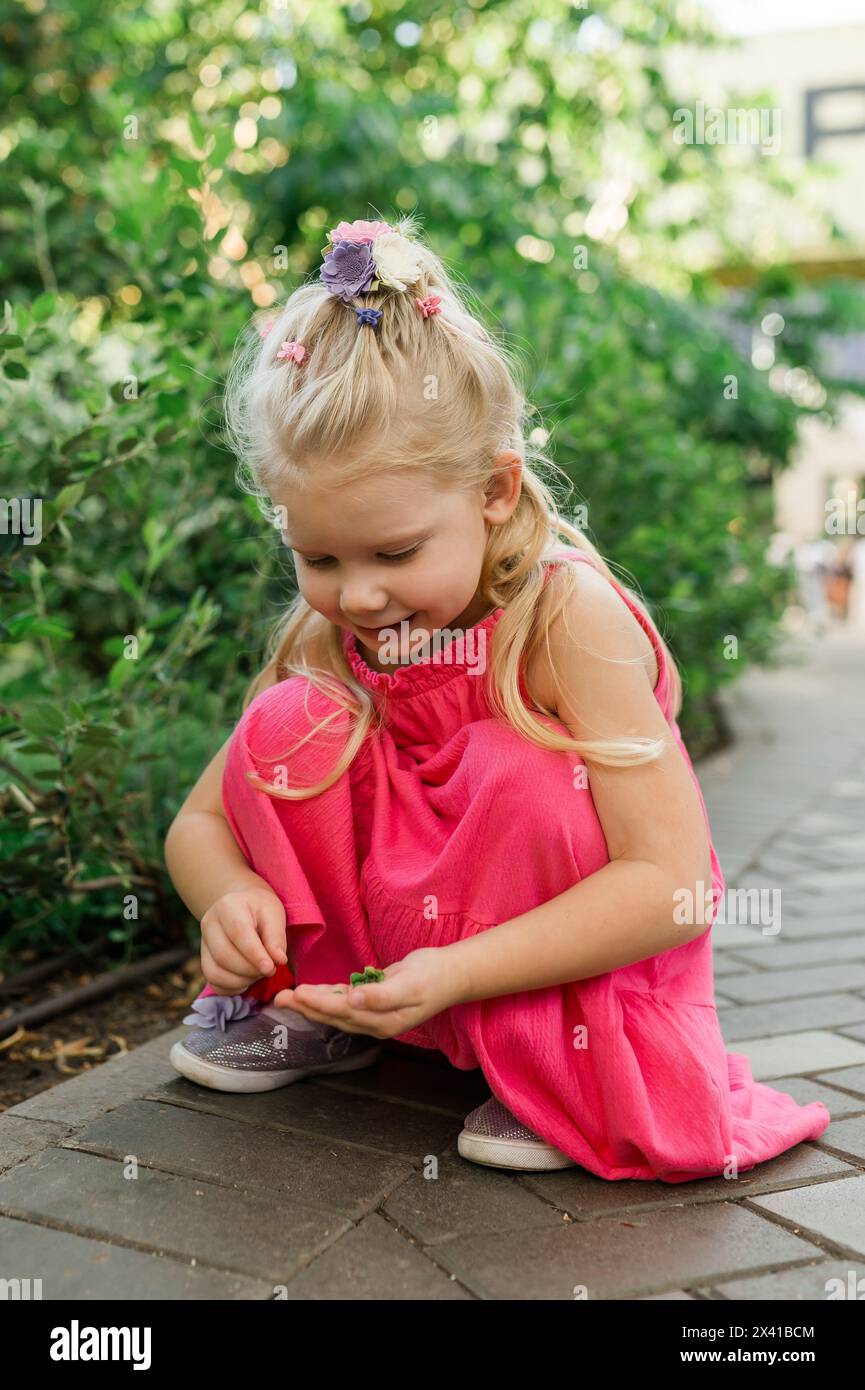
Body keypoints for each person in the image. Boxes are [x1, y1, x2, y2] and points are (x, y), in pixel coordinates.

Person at [164, 213, 830, 1182]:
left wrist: (460, 972)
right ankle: (316, 1009)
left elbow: (675, 887)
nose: (356, 594)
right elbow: (200, 821)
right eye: (318, 557)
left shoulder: (564, 619)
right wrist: (228, 896)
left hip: (531, 969)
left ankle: (549, 1051)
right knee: (289, 723)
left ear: (493, 491)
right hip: (414, 960)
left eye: (394, 553)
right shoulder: (338, 634)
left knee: (522, 774)